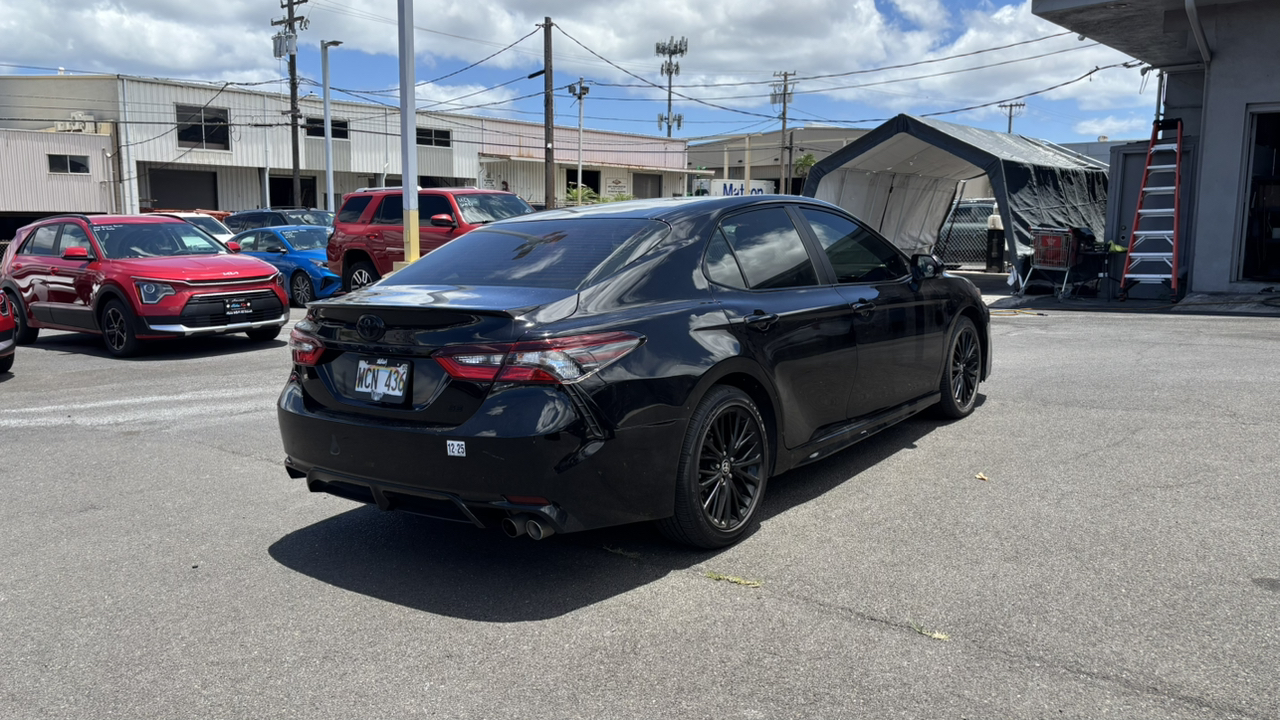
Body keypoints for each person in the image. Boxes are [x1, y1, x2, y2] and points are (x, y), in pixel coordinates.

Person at [986, 208, 1005, 273]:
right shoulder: (992, 218)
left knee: (998, 246)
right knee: (993, 246)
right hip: (994, 232)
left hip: (999, 232)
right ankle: (992, 266)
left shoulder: (998, 217)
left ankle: (997, 266)